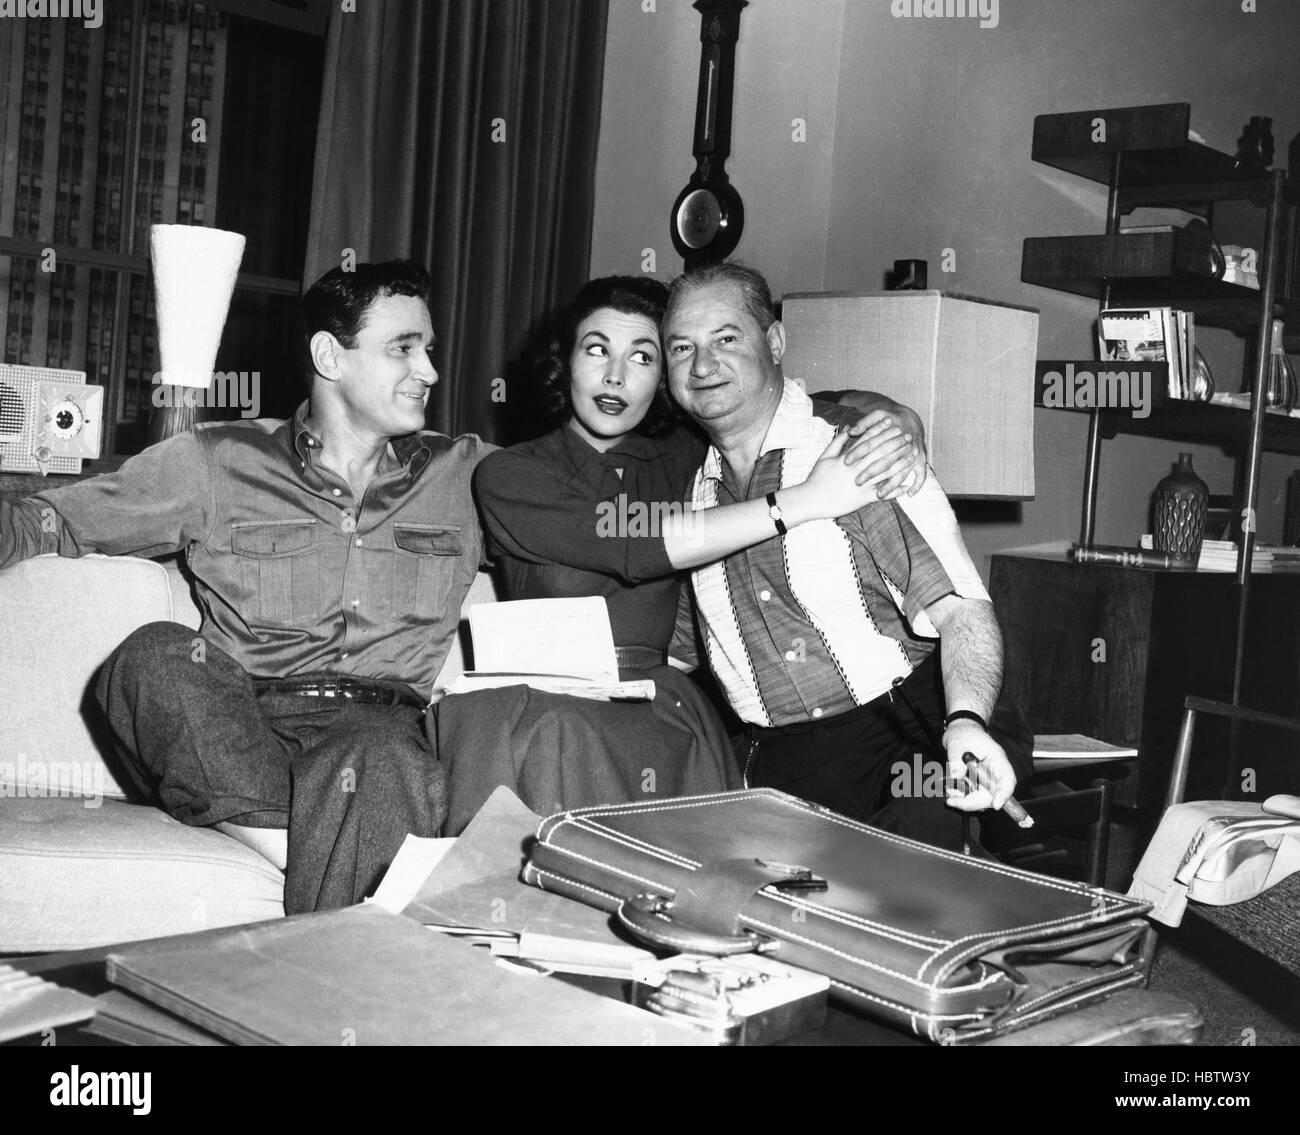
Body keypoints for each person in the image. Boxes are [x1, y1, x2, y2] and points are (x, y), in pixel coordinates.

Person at [0, 259, 486, 913]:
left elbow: (577, 509)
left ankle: (326, 878)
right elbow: (48, 521)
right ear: (329, 355)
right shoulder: (216, 459)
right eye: (404, 348)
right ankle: (351, 877)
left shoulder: (464, 473)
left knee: (381, 756)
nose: (428, 369)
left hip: (378, 738)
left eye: (428, 350)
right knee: (156, 658)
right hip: (241, 730)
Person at [435, 275, 930, 832]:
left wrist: (894, 420)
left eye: (643, 357)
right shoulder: (511, 474)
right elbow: (633, 546)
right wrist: (802, 501)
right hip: (544, 703)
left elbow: (806, 404)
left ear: (665, 378)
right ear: (565, 362)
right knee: (556, 754)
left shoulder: (684, 458)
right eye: (596, 349)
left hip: (654, 705)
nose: (615, 376)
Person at [661, 261, 1034, 851]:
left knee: (912, 862)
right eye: (682, 348)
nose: (702, 365)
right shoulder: (690, 493)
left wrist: (966, 723)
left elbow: (962, 611)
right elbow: (676, 651)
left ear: (776, 341)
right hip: (778, 757)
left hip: (899, 730)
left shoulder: (864, 449)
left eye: (726, 338)